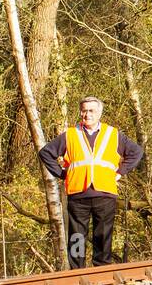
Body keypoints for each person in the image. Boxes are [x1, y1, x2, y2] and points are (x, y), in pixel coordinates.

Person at [38, 96, 144, 269]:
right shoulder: (70, 134)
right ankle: (76, 272)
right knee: (77, 236)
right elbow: (45, 153)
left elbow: (136, 152)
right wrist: (63, 174)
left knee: (103, 234)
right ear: (80, 112)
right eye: (84, 110)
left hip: (105, 191)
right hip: (78, 192)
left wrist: (120, 172)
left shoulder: (113, 134)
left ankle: (101, 271)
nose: (87, 114)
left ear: (100, 113)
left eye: (91, 110)